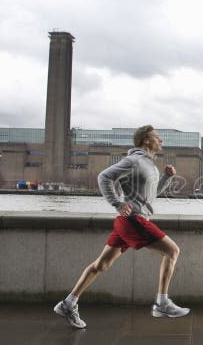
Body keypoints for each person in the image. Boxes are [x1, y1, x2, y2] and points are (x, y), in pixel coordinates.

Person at [54, 125, 189, 329]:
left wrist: (166, 178)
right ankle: (162, 303)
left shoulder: (150, 164)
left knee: (102, 265)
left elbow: (150, 196)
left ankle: (68, 303)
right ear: (145, 140)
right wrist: (117, 203)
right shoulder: (134, 160)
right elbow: (104, 177)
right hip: (134, 220)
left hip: (128, 222)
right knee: (172, 251)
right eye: (157, 137)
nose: (161, 140)